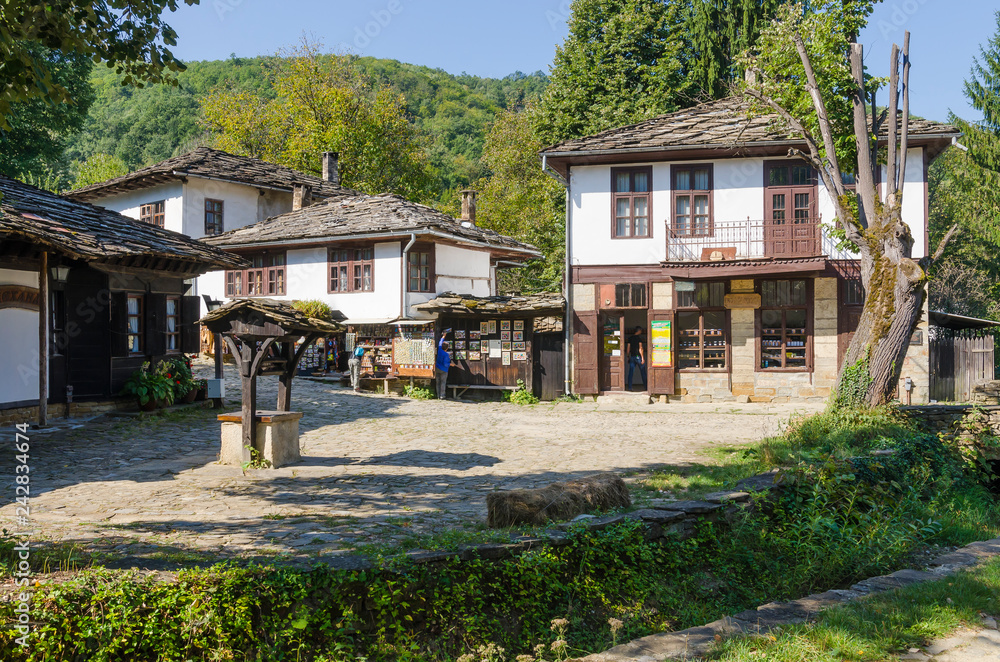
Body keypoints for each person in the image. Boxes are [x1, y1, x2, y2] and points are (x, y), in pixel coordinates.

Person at [626, 326, 647, 391]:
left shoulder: (630, 338)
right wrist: (642, 358)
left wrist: (628, 356)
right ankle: (646, 387)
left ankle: (630, 387)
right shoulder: (639, 339)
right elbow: (641, 348)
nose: (641, 332)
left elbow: (628, 349)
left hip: (632, 357)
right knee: (643, 372)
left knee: (631, 372)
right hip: (638, 357)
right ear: (639, 331)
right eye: (641, 331)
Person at [436, 334, 452, 400]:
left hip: (437, 368)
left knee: (437, 382)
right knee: (443, 382)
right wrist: (451, 364)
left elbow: (440, 342)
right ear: (447, 348)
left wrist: (443, 336)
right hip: (443, 370)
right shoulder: (446, 355)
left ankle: (438, 395)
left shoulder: (439, 350)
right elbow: (445, 364)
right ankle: (442, 395)